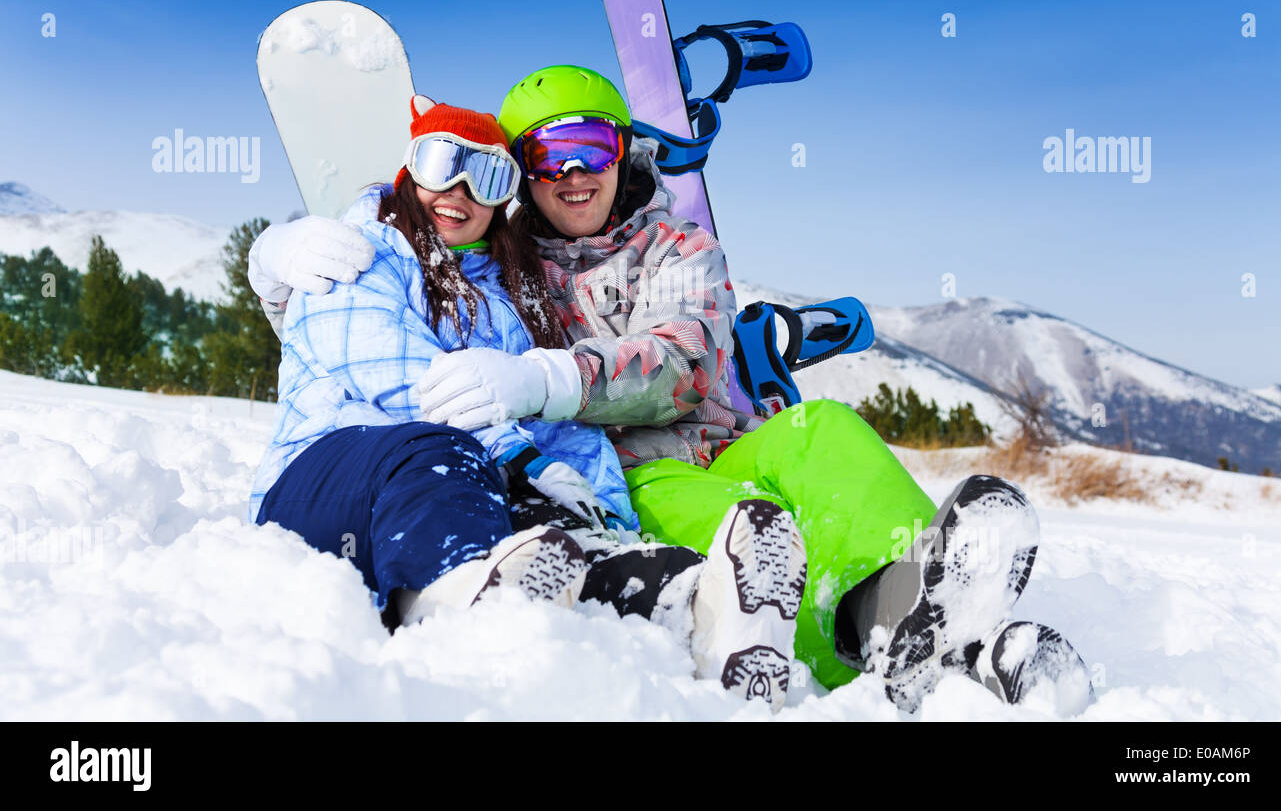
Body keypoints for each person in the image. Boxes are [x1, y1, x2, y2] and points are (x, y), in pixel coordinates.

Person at [250, 70, 1092, 715]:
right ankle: (866, 638)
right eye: (544, 157)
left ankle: (920, 598)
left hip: (714, 439)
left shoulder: (676, 246)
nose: (571, 174)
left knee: (824, 430)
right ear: (519, 172)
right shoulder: (497, 261)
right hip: (623, 477)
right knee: (737, 530)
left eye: (589, 149)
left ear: (622, 152)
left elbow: (683, 359)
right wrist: (277, 267)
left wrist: (549, 376)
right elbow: (382, 315)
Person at [249, 95, 808, 710]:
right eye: (443, 163)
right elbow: (390, 374)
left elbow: (537, 410)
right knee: (440, 452)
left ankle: (695, 613)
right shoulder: (357, 252)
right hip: (330, 480)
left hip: (465, 486)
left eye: (486, 175)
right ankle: (457, 606)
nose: (459, 189)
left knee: (561, 539)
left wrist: (592, 495)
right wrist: (522, 457)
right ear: (410, 170)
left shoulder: (507, 297)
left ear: (503, 197)